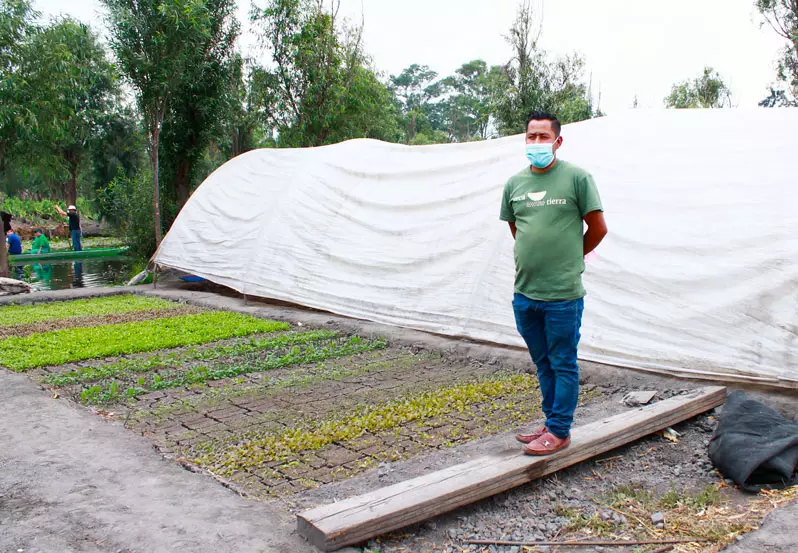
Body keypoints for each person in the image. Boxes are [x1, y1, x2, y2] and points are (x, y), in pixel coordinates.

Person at [499, 110, 608, 456]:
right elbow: (517, 230)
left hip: (562, 296)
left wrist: (572, 259)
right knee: (543, 362)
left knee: (563, 362)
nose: (537, 143)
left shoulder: (577, 178)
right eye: (531, 136)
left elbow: (598, 228)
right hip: (525, 294)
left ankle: (560, 431)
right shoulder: (515, 184)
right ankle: (551, 421)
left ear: (557, 141)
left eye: (543, 137)